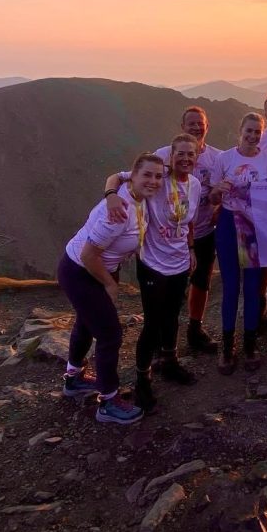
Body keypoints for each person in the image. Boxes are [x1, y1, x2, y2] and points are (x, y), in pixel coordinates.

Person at [57, 153, 164, 425]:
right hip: (82, 271)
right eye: (147, 175)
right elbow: (88, 255)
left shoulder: (128, 188)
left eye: (158, 176)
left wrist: (110, 191)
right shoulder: (118, 212)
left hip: (90, 269)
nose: (153, 180)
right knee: (110, 334)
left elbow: (115, 176)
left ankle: (73, 378)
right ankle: (108, 402)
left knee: (86, 322)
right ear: (135, 174)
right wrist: (109, 283)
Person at [104, 134, 202, 414]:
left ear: (196, 157)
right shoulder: (159, 179)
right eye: (180, 154)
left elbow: (188, 222)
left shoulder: (194, 185)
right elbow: (117, 177)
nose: (185, 159)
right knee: (152, 323)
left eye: (190, 154)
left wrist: (192, 248)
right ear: (172, 156)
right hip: (153, 263)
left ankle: (168, 362)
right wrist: (110, 196)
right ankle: (142, 378)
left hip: (181, 262)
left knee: (172, 317)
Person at [155, 107, 222, 354]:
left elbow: (225, 188)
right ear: (182, 126)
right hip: (168, 237)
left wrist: (221, 204)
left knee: (201, 280)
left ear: (208, 126)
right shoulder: (163, 155)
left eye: (200, 123)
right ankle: (161, 338)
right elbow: (142, 183)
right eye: (191, 123)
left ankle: (195, 329)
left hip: (204, 231)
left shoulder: (218, 158)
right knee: (168, 286)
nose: (196, 127)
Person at [210, 113, 267, 373]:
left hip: (255, 227)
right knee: (231, 285)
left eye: (258, 132)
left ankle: (249, 344)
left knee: (253, 286)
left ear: (262, 133)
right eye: (249, 131)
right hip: (227, 223)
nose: (253, 136)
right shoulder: (224, 158)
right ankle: (227, 346)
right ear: (240, 130)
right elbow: (211, 198)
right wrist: (217, 190)